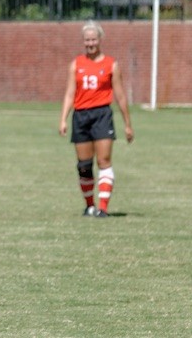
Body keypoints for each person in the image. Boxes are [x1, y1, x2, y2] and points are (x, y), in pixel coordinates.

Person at [57, 21, 134, 217]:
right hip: (81, 116)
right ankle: (89, 205)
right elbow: (69, 93)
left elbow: (120, 96)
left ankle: (103, 208)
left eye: (93, 39)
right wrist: (63, 119)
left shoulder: (111, 65)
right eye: (87, 40)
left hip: (102, 115)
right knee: (84, 165)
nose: (90, 43)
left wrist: (127, 124)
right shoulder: (76, 65)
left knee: (103, 160)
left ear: (100, 40)